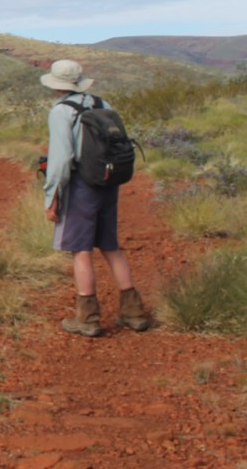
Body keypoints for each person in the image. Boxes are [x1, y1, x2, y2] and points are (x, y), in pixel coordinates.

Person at [41, 59, 150, 336]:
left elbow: (62, 159)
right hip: (107, 182)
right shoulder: (103, 105)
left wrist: (52, 197)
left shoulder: (61, 111)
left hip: (81, 186)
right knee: (110, 245)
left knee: (81, 250)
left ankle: (87, 318)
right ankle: (134, 312)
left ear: (57, 85)